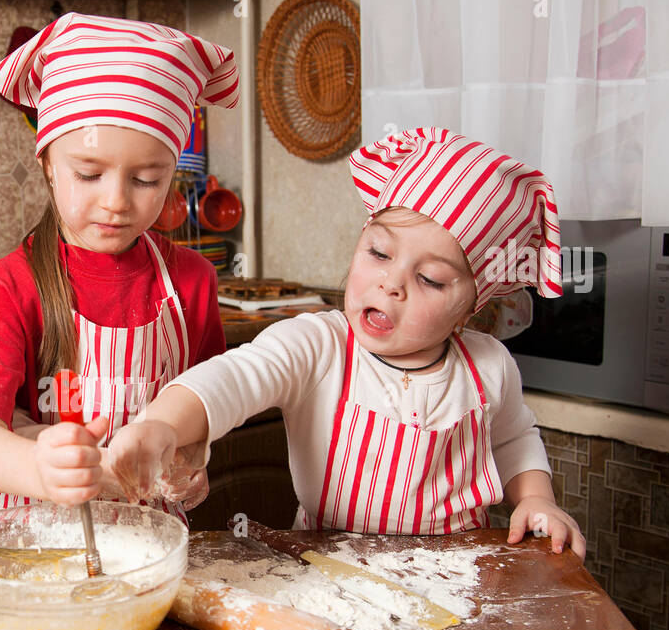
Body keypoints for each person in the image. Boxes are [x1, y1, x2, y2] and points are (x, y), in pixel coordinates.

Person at [107, 128, 586, 559]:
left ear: (470, 307)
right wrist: (163, 425)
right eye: (379, 253)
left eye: (430, 279)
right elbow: (235, 376)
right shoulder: (320, 346)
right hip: (328, 571)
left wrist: (536, 498)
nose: (390, 284)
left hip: (458, 573)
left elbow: (514, 438)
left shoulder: (489, 366)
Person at [0, 13, 237, 518]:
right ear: (47, 165)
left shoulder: (192, 280)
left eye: (147, 180)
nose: (116, 202)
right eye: (88, 173)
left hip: (152, 537)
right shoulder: (11, 285)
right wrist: (41, 468)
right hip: (35, 534)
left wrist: (193, 458)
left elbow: (207, 404)